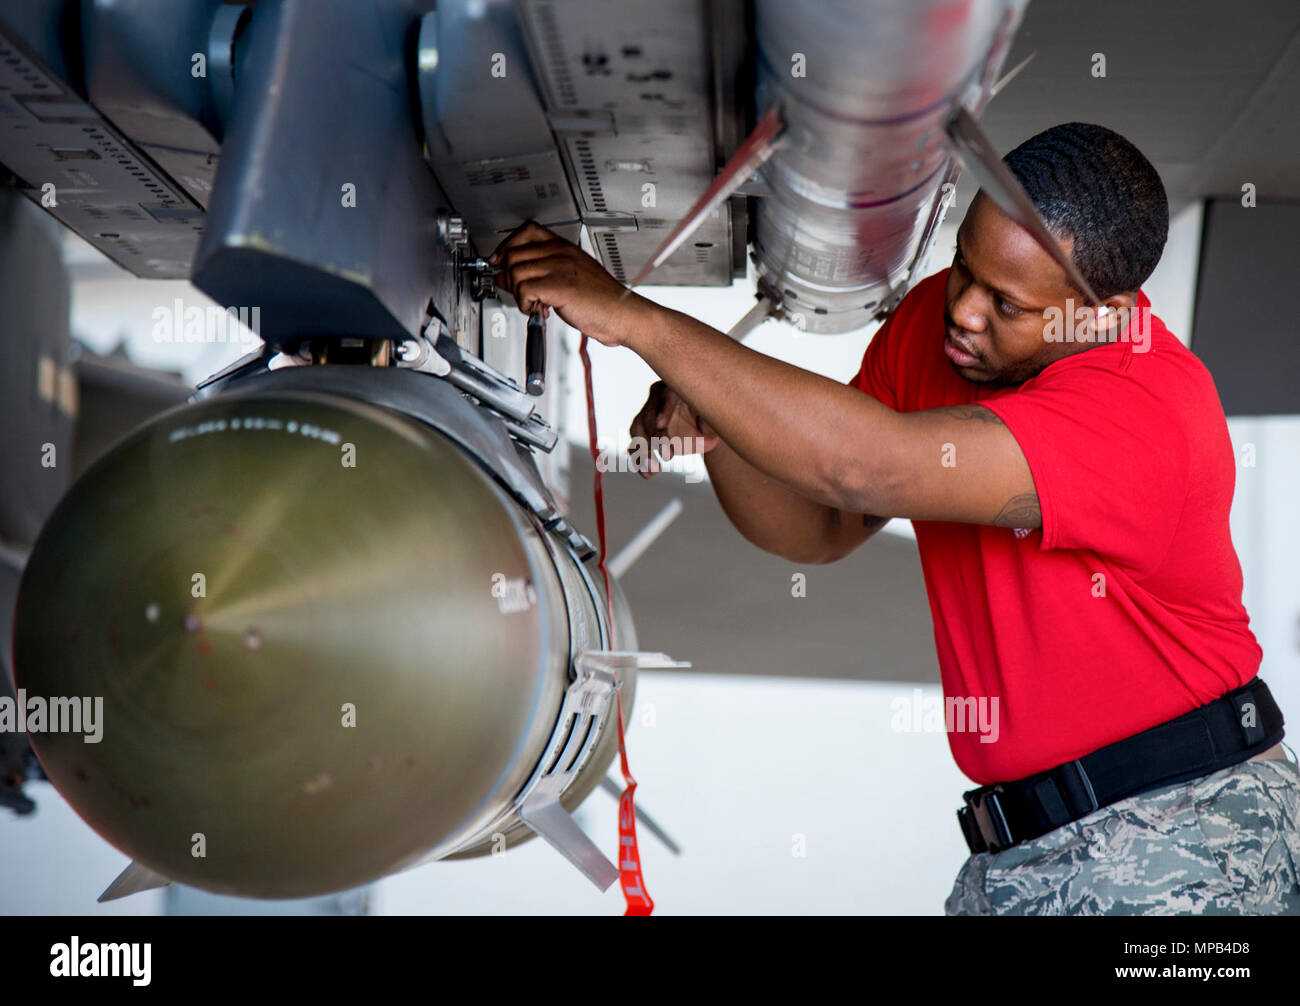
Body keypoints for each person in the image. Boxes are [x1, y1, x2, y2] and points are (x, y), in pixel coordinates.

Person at [489, 122, 1300, 915]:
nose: (965, 313)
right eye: (963, 271)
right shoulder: (939, 333)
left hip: (1190, 840)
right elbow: (823, 523)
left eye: (1007, 304)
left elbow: (867, 461)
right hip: (1026, 850)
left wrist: (636, 320)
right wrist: (719, 424)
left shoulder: (1146, 408)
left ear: (1098, 313)